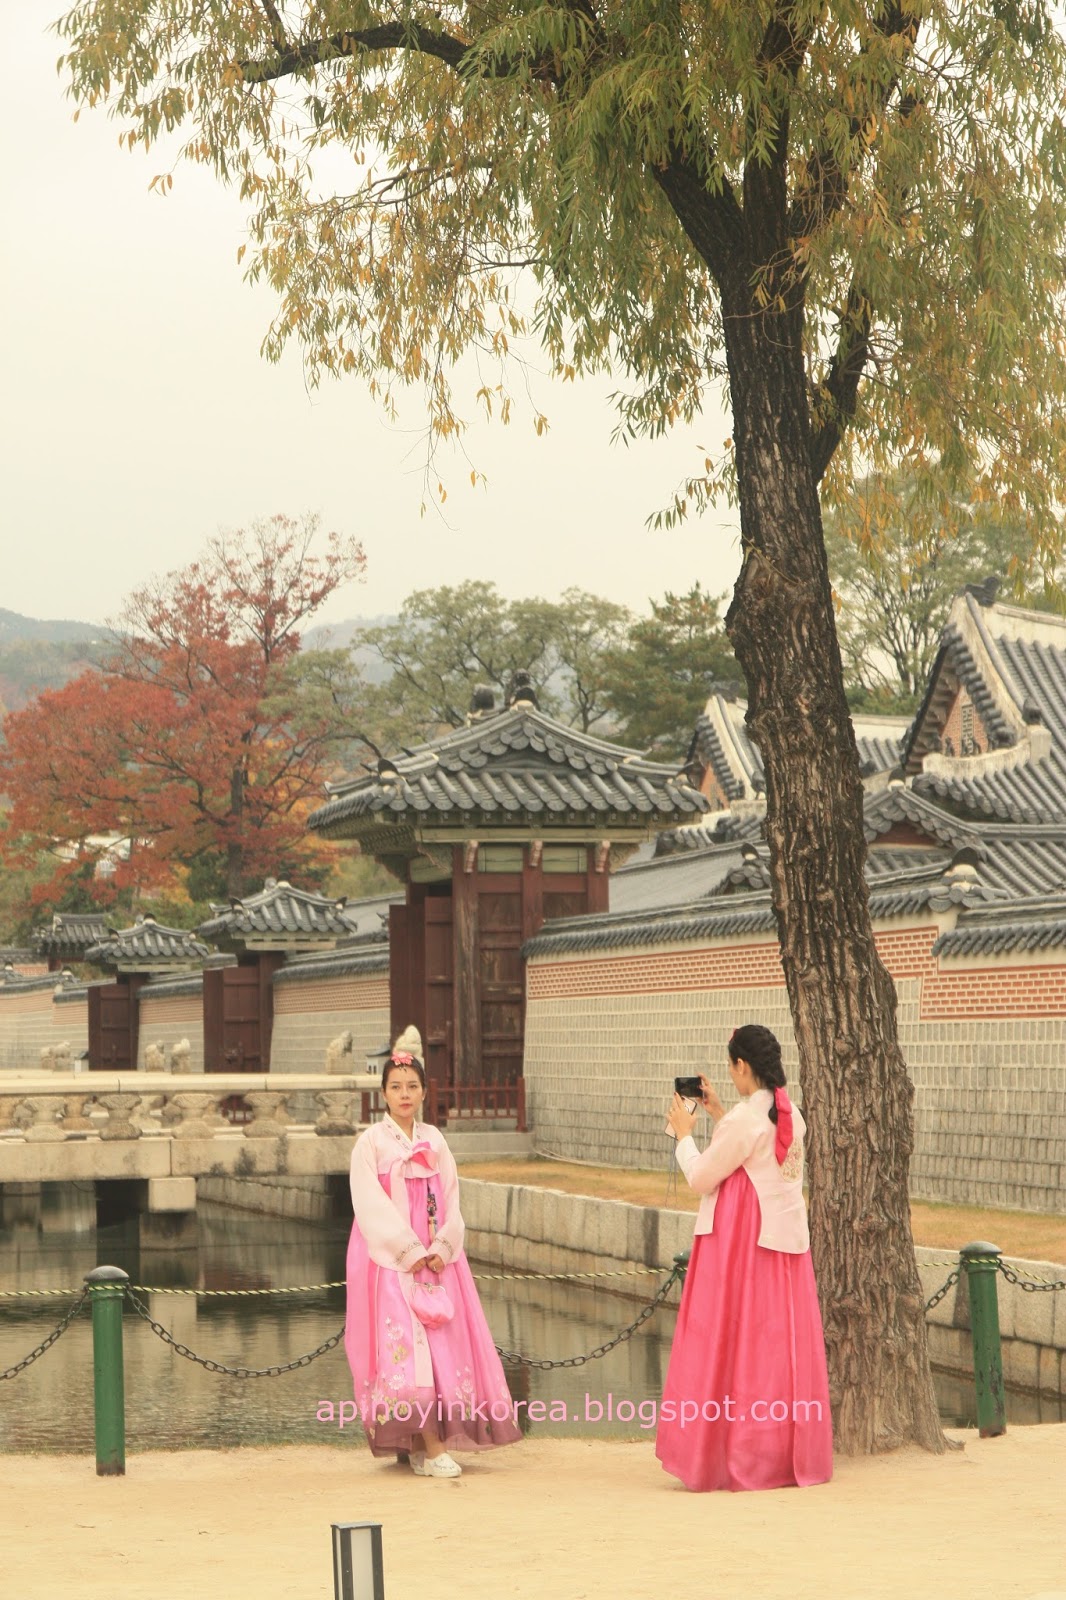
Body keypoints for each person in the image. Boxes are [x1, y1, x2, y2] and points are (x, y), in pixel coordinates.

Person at [655, 1023, 833, 1492]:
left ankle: (726, 1452)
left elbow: (702, 1176)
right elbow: (755, 1156)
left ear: (742, 1066)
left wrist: (683, 1136)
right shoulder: (791, 1114)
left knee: (733, 1344)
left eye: (732, 1066)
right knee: (776, 1351)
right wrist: (718, 1111)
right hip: (785, 1245)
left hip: (743, 1247)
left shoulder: (744, 1121)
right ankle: (777, 1453)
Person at [344, 1025, 522, 1477]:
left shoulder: (436, 1140)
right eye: (396, 1087)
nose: (405, 1095)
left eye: (412, 1087)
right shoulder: (371, 1143)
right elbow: (368, 1203)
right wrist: (408, 1251)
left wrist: (444, 1245)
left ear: (424, 1092)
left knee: (441, 1347)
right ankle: (429, 1444)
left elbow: (452, 1197)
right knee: (407, 1349)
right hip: (392, 1266)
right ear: (383, 1093)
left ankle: (422, 1444)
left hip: (438, 1263)